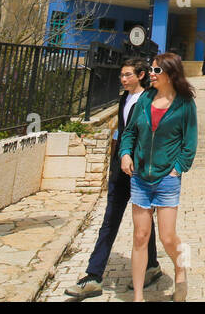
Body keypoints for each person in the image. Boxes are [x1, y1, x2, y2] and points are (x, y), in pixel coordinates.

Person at [66, 58, 163, 298]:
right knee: (110, 218)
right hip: (121, 166)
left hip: (142, 169)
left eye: (127, 75)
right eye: (122, 74)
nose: (122, 79)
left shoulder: (151, 100)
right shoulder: (124, 99)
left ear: (140, 75)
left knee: (144, 222)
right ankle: (94, 274)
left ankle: (150, 266)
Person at [121, 52, 197, 302]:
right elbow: (130, 132)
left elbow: (190, 143)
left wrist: (177, 168)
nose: (151, 74)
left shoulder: (185, 104)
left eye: (156, 71)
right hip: (141, 177)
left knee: (166, 236)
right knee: (140, 236)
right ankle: (139, 296)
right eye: (151, 70)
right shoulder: (144, 100)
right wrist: (125, 154)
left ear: (170, 74)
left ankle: (180, 266)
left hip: (167, 178)